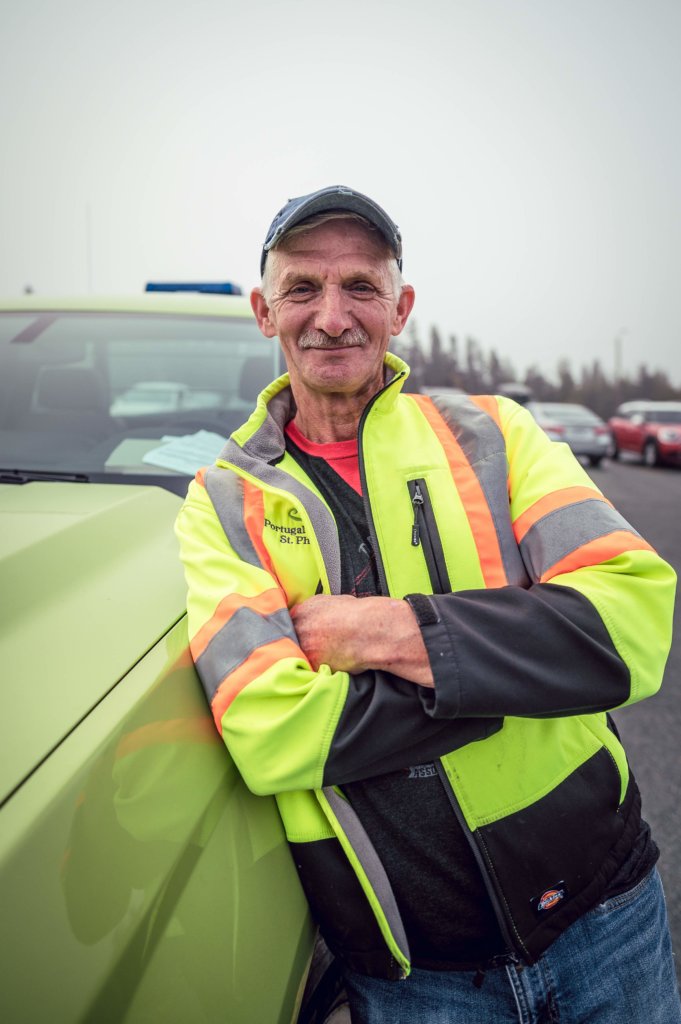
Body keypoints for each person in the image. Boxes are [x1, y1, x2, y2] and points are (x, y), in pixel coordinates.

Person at [175, 185, 680, 1022]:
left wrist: (391, 631)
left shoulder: (494, 432)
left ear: (400, 307)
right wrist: (504, 676)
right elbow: (269, 733)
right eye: (303, 288)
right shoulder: (223, 503)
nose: (331, 316)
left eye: (360, 288)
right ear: (265, 312)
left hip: (608, 921)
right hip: (418, 975)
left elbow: (630, 626)